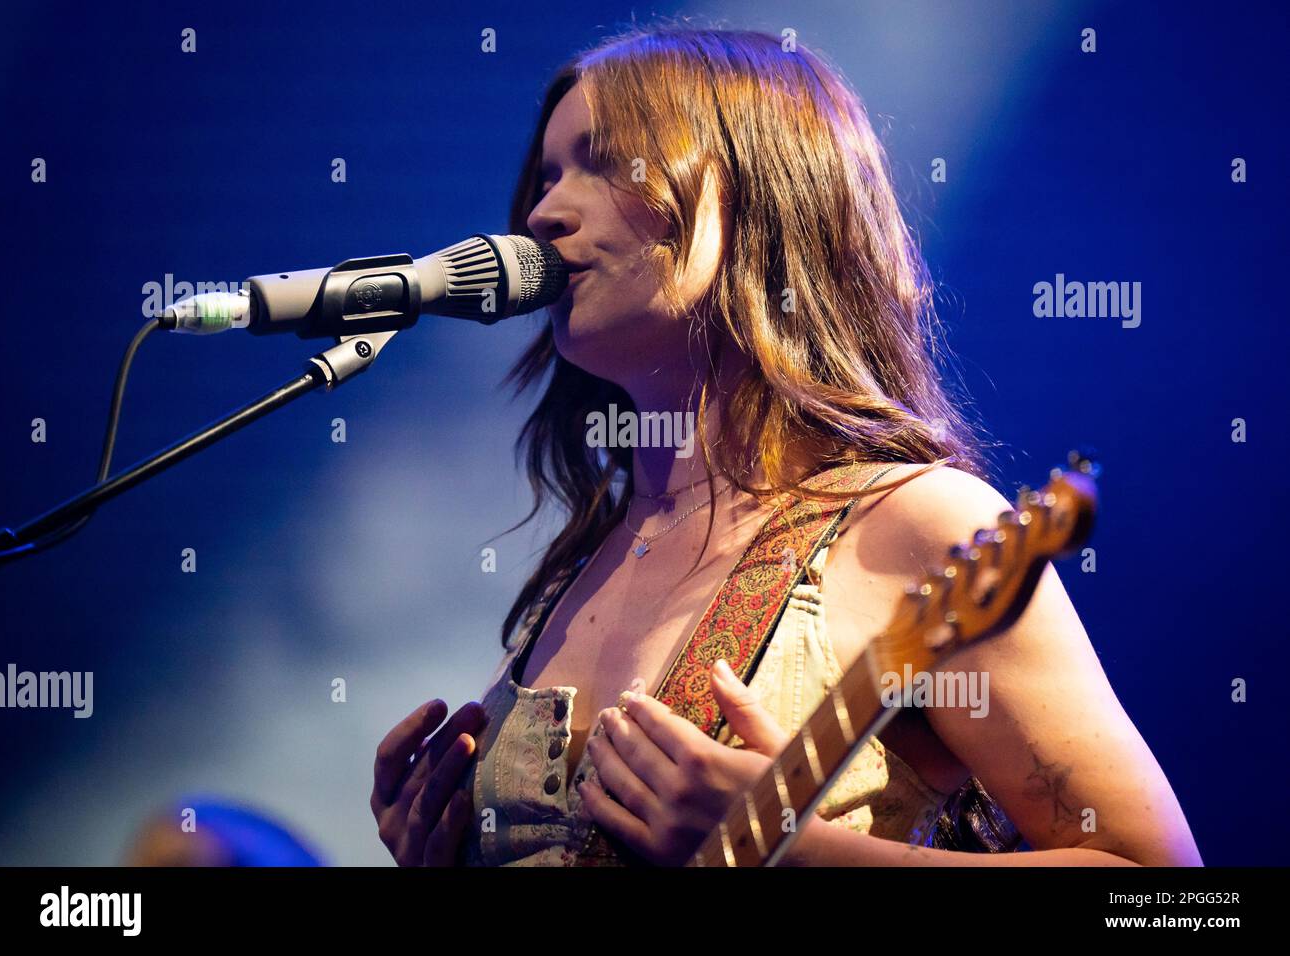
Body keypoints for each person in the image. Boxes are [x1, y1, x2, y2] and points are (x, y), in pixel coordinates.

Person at [370, 27, 1202, 867]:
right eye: (546, 175)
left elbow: (1168, 894)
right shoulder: (584, 560)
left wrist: (805, 854)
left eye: (605, 162)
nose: (543, 211)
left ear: (767, 194)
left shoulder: (917, 523)